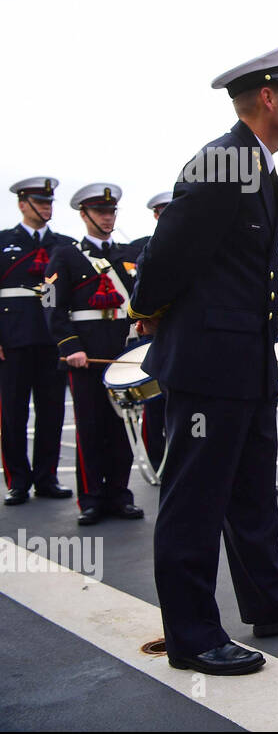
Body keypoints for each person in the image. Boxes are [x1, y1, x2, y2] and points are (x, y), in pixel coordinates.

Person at [129, 44, 278, 676]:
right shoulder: (226, 161)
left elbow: (237, 266)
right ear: (270, 98)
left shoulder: (256, 165)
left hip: (244, 358)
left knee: (253, 490)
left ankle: (272, 599)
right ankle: (193, 636)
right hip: (207, 365)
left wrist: (277, 317)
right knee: (195, 500)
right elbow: (169, 255)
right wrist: (147, 308)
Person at [43, 184, 141, 526]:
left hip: (122, 354)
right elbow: (52, 305)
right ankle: (91, 498)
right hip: (85, 354)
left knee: (122, 424)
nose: (107, 217)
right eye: (100, 211)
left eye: (111, 211)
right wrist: (70, 346)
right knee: (89, 426)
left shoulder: (128, 257)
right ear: (84, 215)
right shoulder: (66, 255)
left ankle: (119, 494)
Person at [1, 177, 75, 506]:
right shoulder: (4, 243)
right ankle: (17, 480)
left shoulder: (65, 245)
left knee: (52, 412)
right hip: (13, 340)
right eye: (39, 202)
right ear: (22, 204)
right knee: (13, 414)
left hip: (52, 341)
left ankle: (47, 477)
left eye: (49, 203)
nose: (46, 208)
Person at [124, 191, 173, 473]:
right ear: (155, 215)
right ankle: (157, 463)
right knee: (154, 403)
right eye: (162, 211)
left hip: (183, 334)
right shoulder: (137, 249)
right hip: (152, 336)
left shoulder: (197, 244)